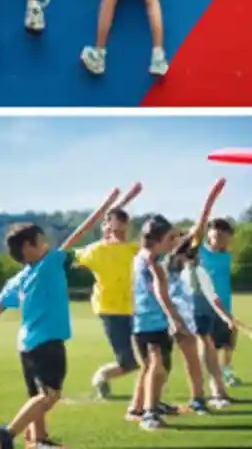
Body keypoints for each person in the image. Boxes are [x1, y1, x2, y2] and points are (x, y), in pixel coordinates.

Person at [0, 189, 121, 449]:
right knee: (51, 395)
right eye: (42, 241)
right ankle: (8, 433)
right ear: (28, 247)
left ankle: (39, 440)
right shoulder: (51, 262)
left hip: (26, 345)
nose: (47, 245)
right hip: (47, 342)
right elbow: (79, 233)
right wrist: (106, 206)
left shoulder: (15, 281)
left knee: (36, 395)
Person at [160, 179, 227, 415]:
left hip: (183, 314)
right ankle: (151, 403)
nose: (181, 237)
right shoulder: (166, 257)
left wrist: (211, 198)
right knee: (159, 362)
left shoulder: (185, 253)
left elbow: (199, 225)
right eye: (175, 235)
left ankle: (198, 399)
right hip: (165, 314)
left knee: (190, 358)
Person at [74, 184, 142, 398]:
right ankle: (102, 376)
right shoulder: (96, 250)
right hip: (110, 309)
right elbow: (72, 259)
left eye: (123, 223)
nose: (119, 228)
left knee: (144, 357)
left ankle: (145, 395)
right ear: (107, 226)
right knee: (128, 361)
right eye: (114, 223)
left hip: (135, 308)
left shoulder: (135, 250)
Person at [127, 214, 189, 431]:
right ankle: (150, 413)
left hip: (141, 321)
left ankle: (138, 407)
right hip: (152, 323)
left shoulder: (140, 257)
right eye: (170, 238)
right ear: (157, 240)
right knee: (158, 365)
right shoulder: (153, 263)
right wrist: (175, 318)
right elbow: (161, 293)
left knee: (152, 366)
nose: (173, 241)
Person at [196, 217, 240, 391]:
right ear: (209, 234)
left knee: (230, 338)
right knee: (207, 342)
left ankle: (226, 371)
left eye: (224, 235)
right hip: (205, 306)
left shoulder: (226, 255)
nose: (220, 238)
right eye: (216, 234)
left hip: (225, 306)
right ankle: (209, 374)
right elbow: (196, 234)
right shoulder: (200, 252)